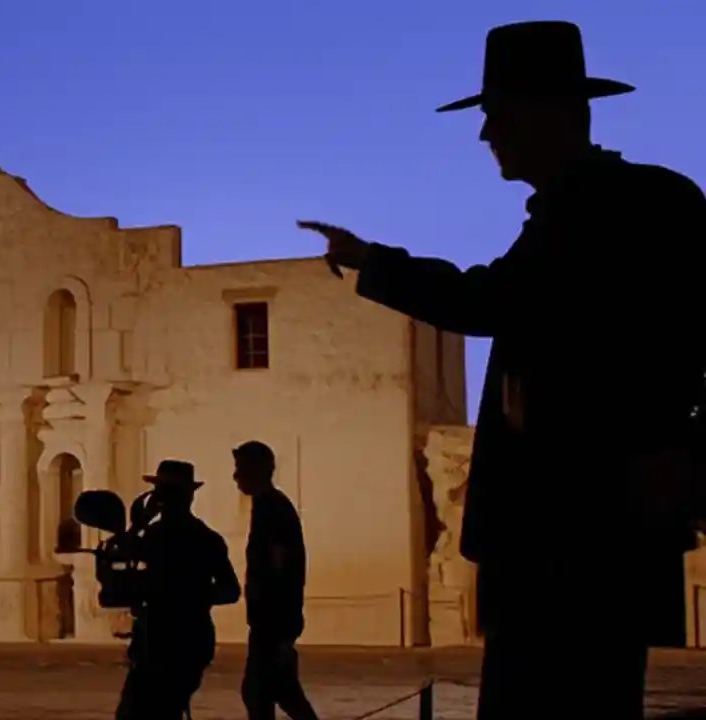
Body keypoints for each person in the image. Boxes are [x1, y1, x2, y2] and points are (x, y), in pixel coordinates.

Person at [298, 20, 706, 719]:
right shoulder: (600, 208)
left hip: (571, 531)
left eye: (497, 115)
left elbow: (488, 300)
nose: (486, 135)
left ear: (545, 115)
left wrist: (375, 262)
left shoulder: (606, 211)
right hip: (584, 526)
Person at [116, 460, 241, 720]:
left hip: (178, 641)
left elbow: (230, 590)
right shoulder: (158, 536)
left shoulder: (195, 539)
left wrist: (185, 597)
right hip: (167, 640)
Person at [232, 441, 319, 720]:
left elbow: (282, 571)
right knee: (275, 691)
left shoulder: (272, 508)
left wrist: (283, 628)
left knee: (262, 692)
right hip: (269, 620)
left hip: (272, 621)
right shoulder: (267, 505)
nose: (236, 476)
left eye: (241, 468)